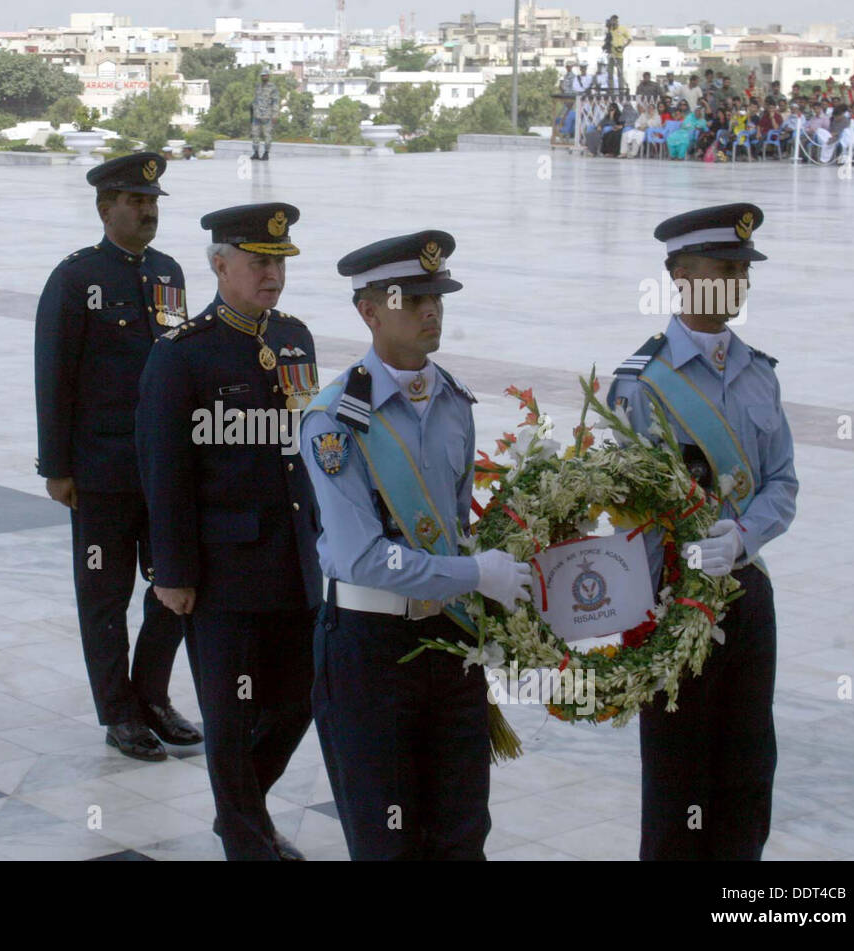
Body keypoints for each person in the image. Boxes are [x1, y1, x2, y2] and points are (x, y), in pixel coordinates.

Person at [300, 231, 530, 861]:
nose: (430, 310)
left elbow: (457, 528)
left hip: (451, 643)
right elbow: (361, 558)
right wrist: (473, 575)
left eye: (437, 295)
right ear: (367, 311)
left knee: (461, 835)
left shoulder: (455, 401)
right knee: (388, 841)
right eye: (410, 297)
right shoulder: (335, 421)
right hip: (371, 650)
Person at [606, 203, 796, 861]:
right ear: (681, 275)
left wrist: (742, 537)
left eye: (745, 268)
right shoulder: (640, 383)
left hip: (747, 599)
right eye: (726, 267)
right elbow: (620, 508)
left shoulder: (759, 372)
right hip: (674, 608)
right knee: (678, 788)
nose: (740, 281)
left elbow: (783, 485)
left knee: (748, 780)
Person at [134, 202, 320, 861]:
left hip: (294, 560)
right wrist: (172, 571)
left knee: (302, 696)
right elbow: (164, 469)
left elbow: (308, 451)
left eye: (279, 263)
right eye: (259, 262)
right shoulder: (183, 354)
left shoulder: (295, 338)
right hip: (222, 569)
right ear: (219, 265)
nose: (272, 275)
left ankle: (242, 811)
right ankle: (247, 839)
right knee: (231, 712)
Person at [34, 153, 200, 761]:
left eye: (153, 200)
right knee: (103, 594)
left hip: (165, 470)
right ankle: (117, 711)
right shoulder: (77, 277)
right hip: (102, 471)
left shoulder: (168, 272)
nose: (148, 210)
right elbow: (53, 373)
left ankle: (152, 695)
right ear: (106, 209)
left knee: (175, 584)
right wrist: (56, 466)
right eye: (135, 201)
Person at [250, 67, 280, 161]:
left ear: (268, 76)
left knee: (267, 135)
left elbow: (276, 101)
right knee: (255, 134)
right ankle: (256, 152)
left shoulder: (272, 87)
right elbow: (255, 100)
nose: (264, 77)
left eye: (265, 75)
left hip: (267, 115)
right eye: (262, 75)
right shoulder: (258, 86)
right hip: (256, 115)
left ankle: (266, 153)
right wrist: (252, 113)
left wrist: (275, 115)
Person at [606, 14, 631, 93]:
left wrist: (624, 47)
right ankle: (611, 90)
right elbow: (607, 40)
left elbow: (629, 39)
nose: (614, 22)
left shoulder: (622, 29)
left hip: (619, 55)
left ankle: (621, 90)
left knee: (620, 73)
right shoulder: (609, 29)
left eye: (615, 21)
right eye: (612, 21)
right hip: (611, 55)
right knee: (610, 72)